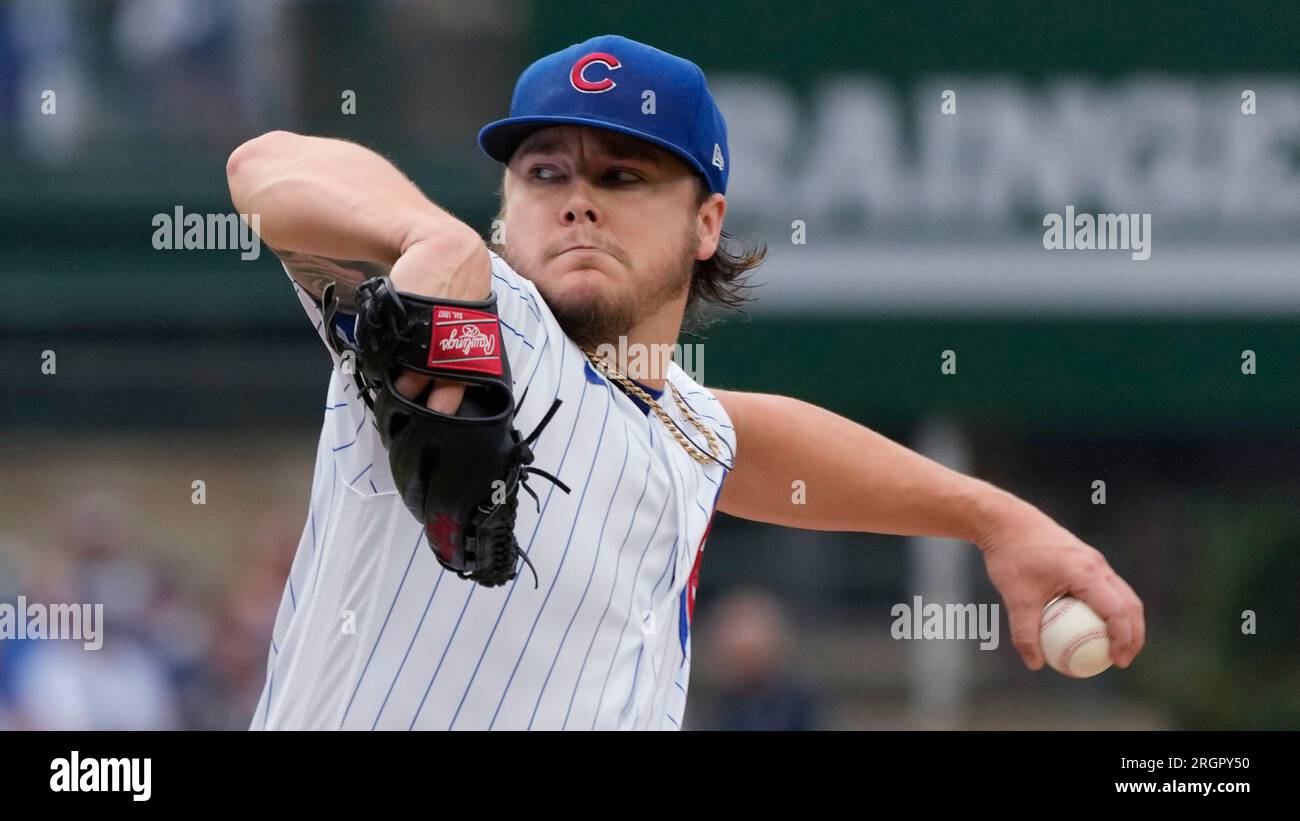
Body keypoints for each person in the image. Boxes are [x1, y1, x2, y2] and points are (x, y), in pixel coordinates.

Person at [226, 34, 1144, 730]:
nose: (577, 197)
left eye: (622, 174)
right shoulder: (463, 314)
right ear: (506, 207)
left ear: (707, 222)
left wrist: (998, 519)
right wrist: (437, 241)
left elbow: (754, 441)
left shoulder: (679, 426)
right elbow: (264, 167)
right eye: (543, 172)